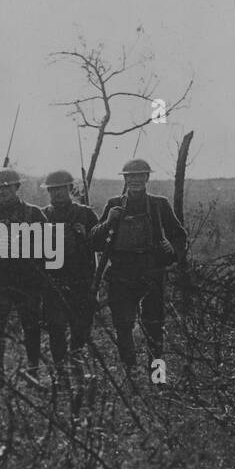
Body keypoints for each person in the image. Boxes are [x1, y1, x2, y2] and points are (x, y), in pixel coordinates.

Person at [91, 158, 187, 379]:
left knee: (155, 329)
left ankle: (158, 378)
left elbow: (179, 235)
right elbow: (95, 241)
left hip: (151, 273)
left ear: (147, 178)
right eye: (131, 176)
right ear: (125, 179)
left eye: (140, 176)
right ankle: (131, 376)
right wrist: (108, 222)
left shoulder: (159, 204)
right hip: (121, 275)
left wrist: (172, 249)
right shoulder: (114, 203)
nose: (135, 180)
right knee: (123, 327)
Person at [0, 168, 50, 385]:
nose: (2, 192)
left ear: (17, 188)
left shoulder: (34, 214)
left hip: (27, 280)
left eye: (7, 187)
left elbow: (48, 247)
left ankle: (33, 370)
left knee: (31, 326)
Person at [39, 170, 99, 383]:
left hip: (81, 281)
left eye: (61, 189)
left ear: (69, 189)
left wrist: (85, 236)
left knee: (80, 329)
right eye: (52, 190)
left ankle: (77, 368)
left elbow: (102, 244)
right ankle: (60, 374)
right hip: (53, 282)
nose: (57, 194)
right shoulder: (41, 215)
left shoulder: (86, 214)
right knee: (56, 329)